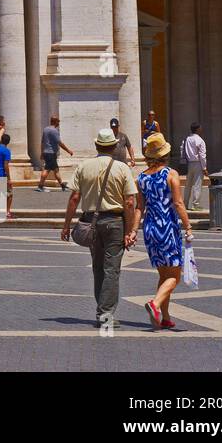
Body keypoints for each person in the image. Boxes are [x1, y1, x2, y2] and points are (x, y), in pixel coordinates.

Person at [61, 129, 140, 330]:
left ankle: (102, 310)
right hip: (115, 222)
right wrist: (131, 230)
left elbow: (74, 199)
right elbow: (130, 202)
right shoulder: (122, 168)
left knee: (98, 268)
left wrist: (66, 225)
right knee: (111, 269)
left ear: (97, 146)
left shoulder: (83, 167)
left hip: (90, 222)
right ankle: (105, 314)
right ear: (114, 147)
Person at [136, 133, 192, 330]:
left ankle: (165, 317)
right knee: (174, 276)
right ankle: (155, 304)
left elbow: (139, 207)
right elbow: (178, 202)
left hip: (150, 228)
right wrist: (188, 225)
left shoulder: (141, 177)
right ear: (165, 154)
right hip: (167, 227)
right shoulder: (171, 174)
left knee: (163, 274)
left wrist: (133, 230)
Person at [36, 117, 72, 192]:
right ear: (55, 121)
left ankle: (62, 186)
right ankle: (40, 186)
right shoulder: (54, 131)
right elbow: (59, 143)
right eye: (58, 121)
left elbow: (42, 142)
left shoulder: (45, 129)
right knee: (47, 169)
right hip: (51, 153)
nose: (58, 123)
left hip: (46, 152)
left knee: (56, 170)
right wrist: (68, 150)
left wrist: (42, 152)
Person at [181, 122, 208, 210]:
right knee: (197, 184)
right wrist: (204, 168)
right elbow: (202, 155)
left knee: (188, 184)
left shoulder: (186, 139)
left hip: (189, 163)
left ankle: (185, 203)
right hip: (198, 163)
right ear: (197, 129)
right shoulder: (200, 140)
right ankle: (195, 204)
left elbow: (182, 149)